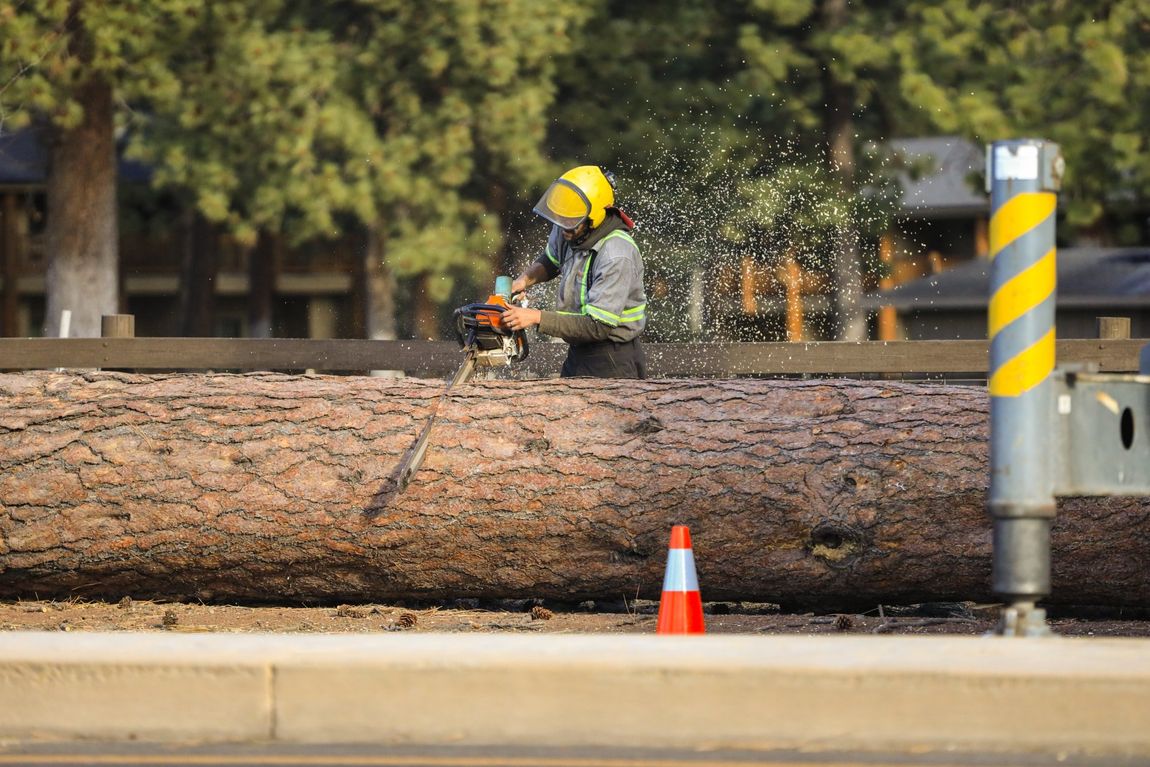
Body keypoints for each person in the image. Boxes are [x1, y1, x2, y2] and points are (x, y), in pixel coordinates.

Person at [501, 165, 648, 378]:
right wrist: (523, 281)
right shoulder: (570, 225)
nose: (562, 228)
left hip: (613, 360)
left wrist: (535, 317)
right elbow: (551, 261)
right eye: (561, 220)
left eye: (570, 223)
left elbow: (597, 326)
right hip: (579, 352)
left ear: (594, 217)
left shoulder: (616, 254)